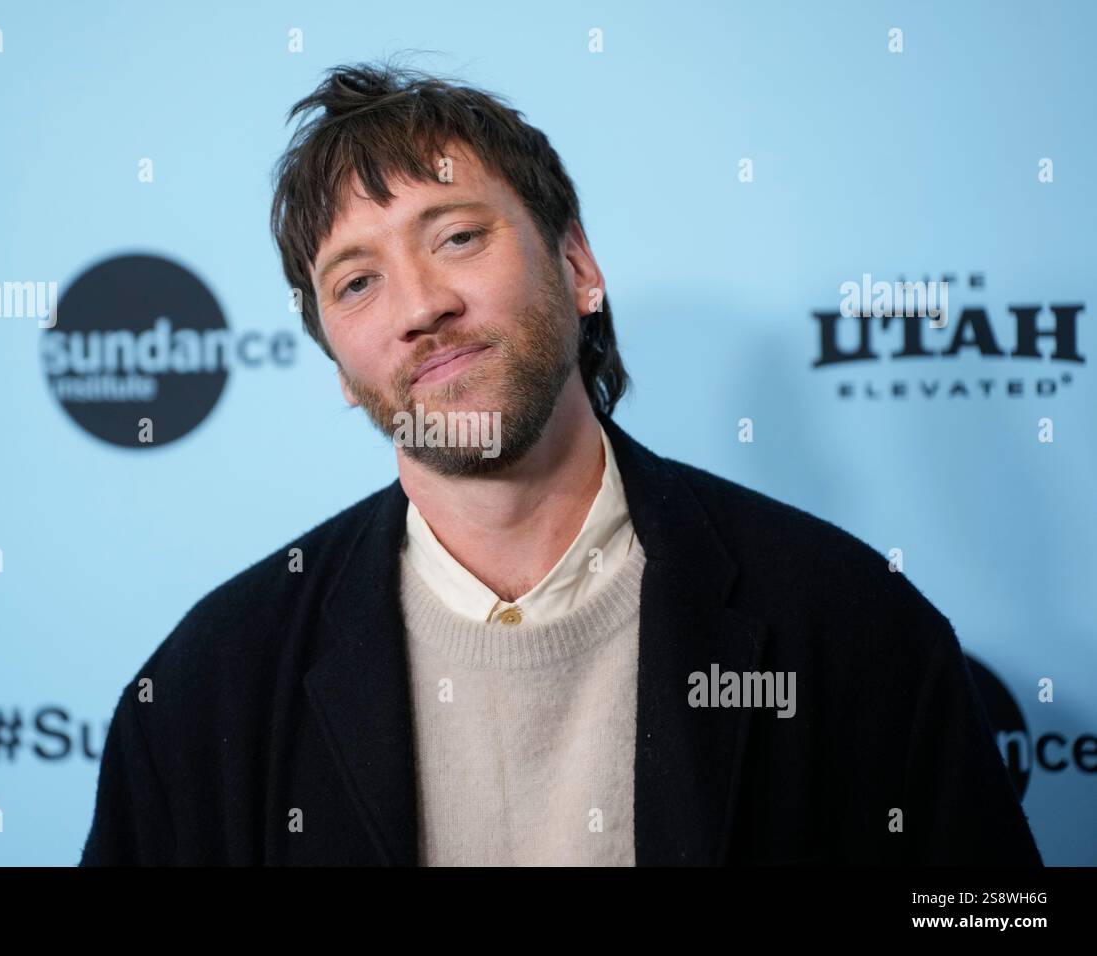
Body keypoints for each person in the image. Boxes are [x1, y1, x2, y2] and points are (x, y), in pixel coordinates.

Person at [79, 61, 1042, 866]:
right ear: (336, 359)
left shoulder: (848, 625)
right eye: (358, 281)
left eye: (458, 236)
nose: (420, 305)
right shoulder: (210, 688)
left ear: (578, 266)